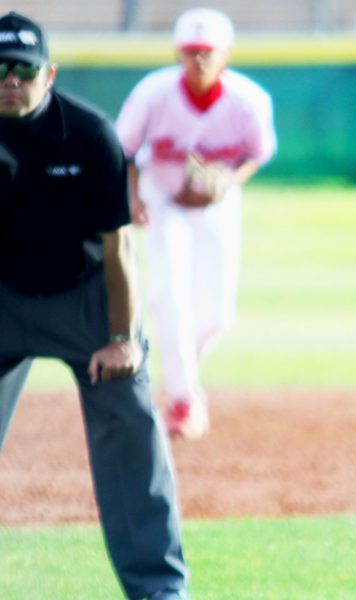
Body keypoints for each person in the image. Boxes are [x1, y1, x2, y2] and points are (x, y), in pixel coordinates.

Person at [0, 12, 189, 600]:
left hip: (84, 300)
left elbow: (120, 249)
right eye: (0, 70)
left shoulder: (88, 134)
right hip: (3, 299)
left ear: (48, 74)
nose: (10, 81)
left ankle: (159, 589)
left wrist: (124, 337)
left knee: (130, 432)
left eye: (23, 71)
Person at [115, 7, 277, 440]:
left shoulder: (249, 100)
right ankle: (184, 399)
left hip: (216, 205)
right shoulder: (154, 93)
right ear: (179, 53)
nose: (199, 60)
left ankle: (179, 374)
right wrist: (132, 197)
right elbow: (124, 148)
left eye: (207, 52)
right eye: (191, 52)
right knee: (168, 295)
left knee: (218, 313)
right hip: (162, 197)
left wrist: (227, 179)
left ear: (224, 54)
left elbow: (257, 153)